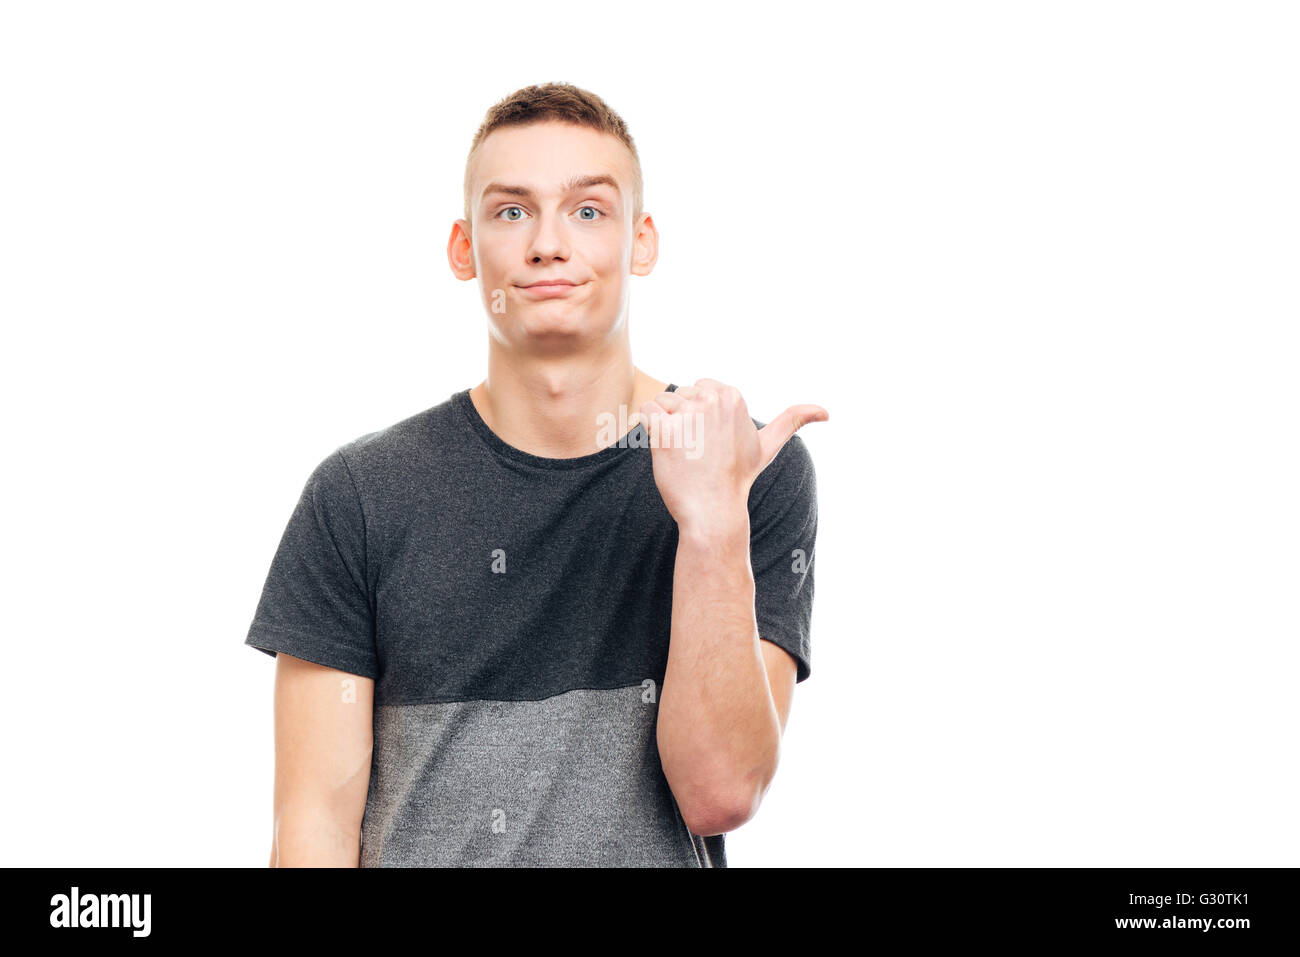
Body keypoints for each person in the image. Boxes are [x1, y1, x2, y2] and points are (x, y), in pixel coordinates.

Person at [245, 82, 826, 867]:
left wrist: (714, 523)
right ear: (463, 248)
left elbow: (719, 791)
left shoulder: (746, 468)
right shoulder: (358, 495)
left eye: (589, 210)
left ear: (641, 241)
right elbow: (312, 828)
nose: (549, 243)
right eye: (512, 210)